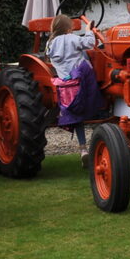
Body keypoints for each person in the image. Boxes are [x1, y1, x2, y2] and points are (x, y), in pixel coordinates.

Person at [47, 14, 105, 166]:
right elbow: (89, 43)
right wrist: (89, 30)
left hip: (65, 86)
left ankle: (83, 149)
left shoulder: (50, 43)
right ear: (68, 29)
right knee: (94, 97)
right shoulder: (71, 39)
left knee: (77, 117)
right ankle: (103, 110)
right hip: (80, 82)